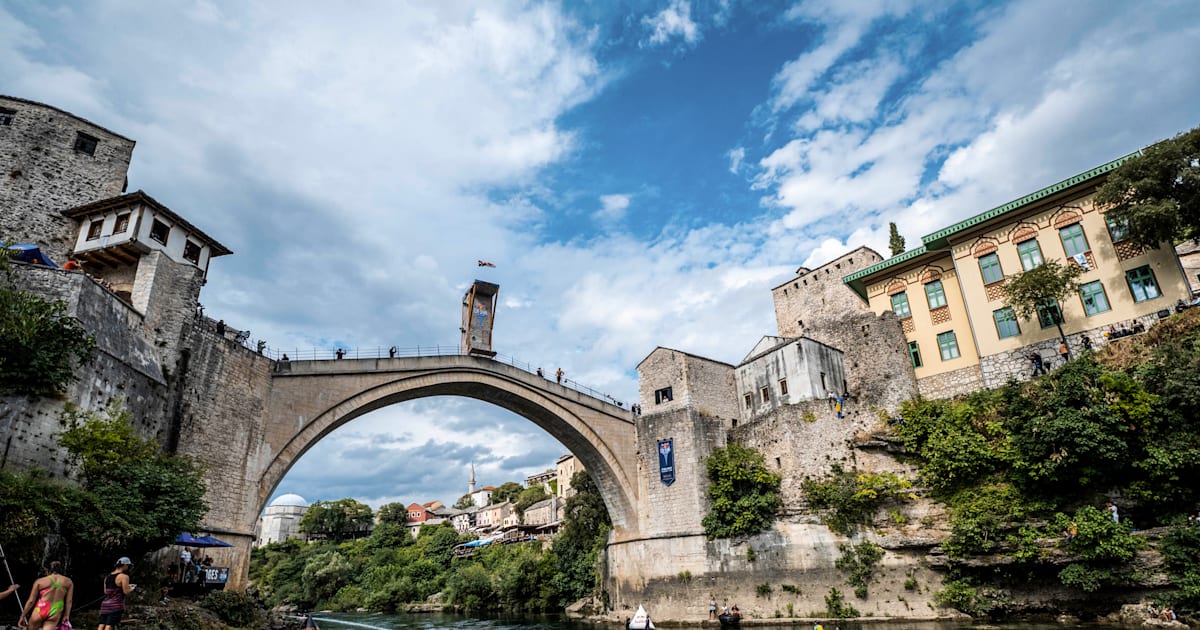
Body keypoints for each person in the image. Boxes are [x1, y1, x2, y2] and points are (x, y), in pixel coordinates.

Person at [20, 560, 72, 630]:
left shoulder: (40, 581)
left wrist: (23, 616)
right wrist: (66, 615)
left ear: (48, 570)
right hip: (56, 609)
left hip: (41, 608)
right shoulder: (68, 582)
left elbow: (31, 601)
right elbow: (69, 601)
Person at [98, 557, 136, 630]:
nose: (128, 567)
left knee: (101, 624)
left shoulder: (107, 577)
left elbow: (106, 592)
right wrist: (132, 588)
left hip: (105, 605)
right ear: (124, 565)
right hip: (115, 606)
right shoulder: (124, 577)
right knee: (109, 626)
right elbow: (125, 591)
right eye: (128, 565)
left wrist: (127, 586)